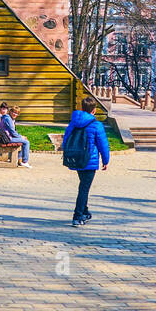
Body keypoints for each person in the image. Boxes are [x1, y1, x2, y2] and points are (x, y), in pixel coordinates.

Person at [63, 97, 110, 226]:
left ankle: (85, 211)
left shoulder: (73, 122)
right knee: (84, 188)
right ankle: (77, 216)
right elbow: (103, 144)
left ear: (82, 108)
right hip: (89, 160)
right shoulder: (96, 125)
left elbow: (66, 139)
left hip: (76, 158)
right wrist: (106, 160)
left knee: (84, 186)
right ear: (94, 111)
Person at [0, 102, 33, 168]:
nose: (14, 114)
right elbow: (12, 132)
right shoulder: (8, 118)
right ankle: (24, 161)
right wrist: (21, 136)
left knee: (23, 140)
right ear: (10, 111)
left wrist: (21, 137)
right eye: (13, 112)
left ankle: (19, 160)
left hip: (7, 137)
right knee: (26, 142)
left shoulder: (7, 118)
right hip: (7, 139)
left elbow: (12, 131)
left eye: (16, 113)